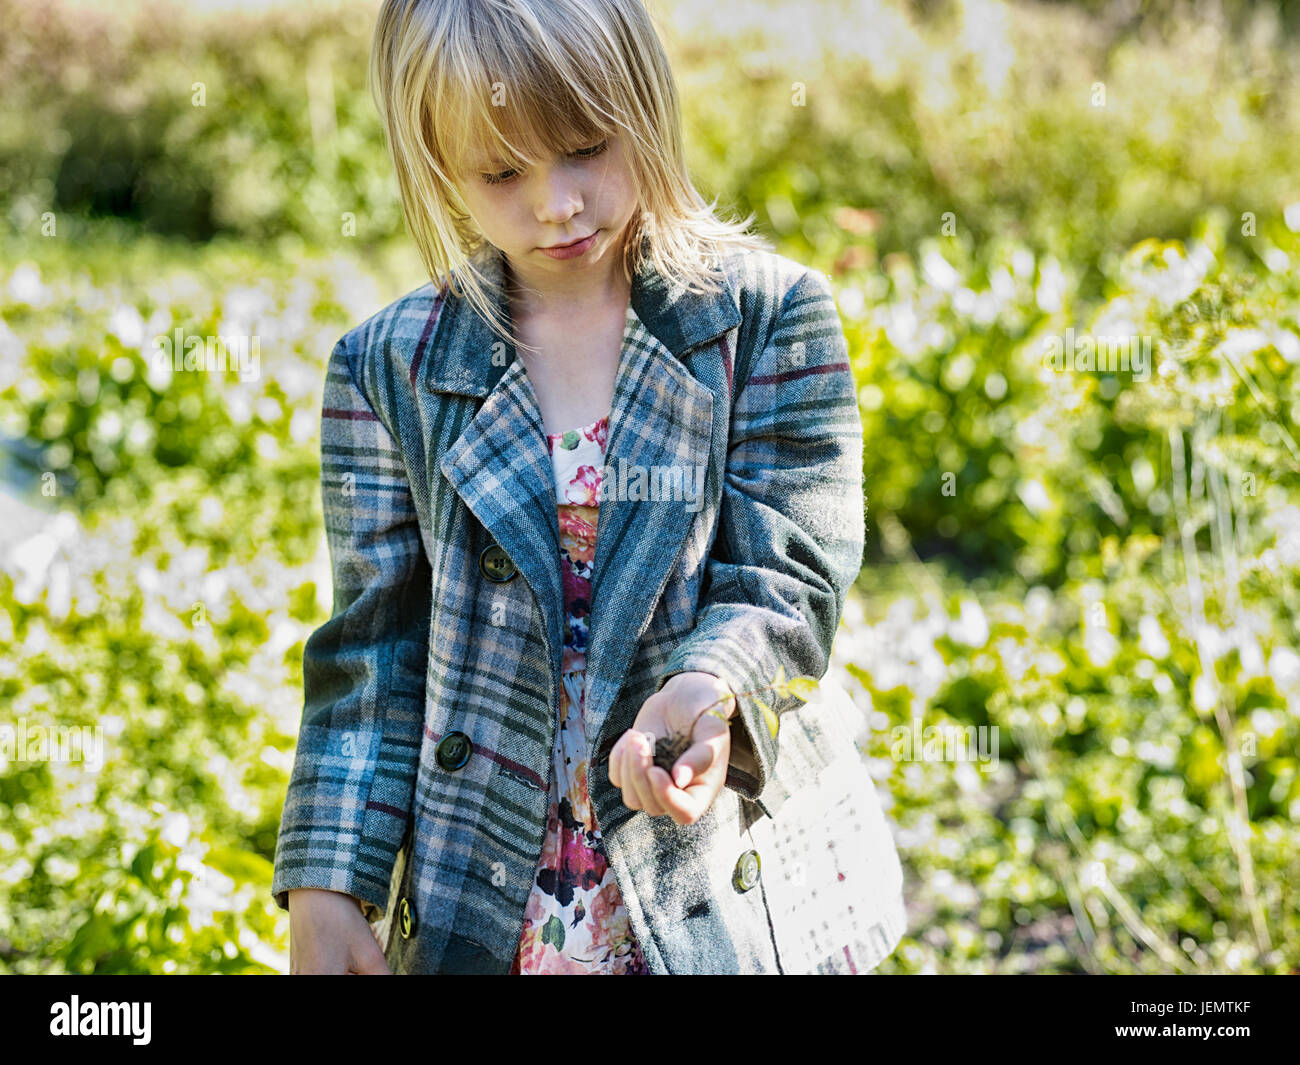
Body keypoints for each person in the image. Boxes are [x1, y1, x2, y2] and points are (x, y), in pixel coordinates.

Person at [272, 0, 907, 974]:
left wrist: (713, 686)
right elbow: (371, 652)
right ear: (437, 163)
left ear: (644, 108)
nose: (556, 203)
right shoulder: (388, 368)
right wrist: (327, 878)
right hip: (495, 885)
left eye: (584, 149)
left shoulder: (763, 320)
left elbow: (791, 570)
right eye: (502, 172)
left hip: (710, 859)